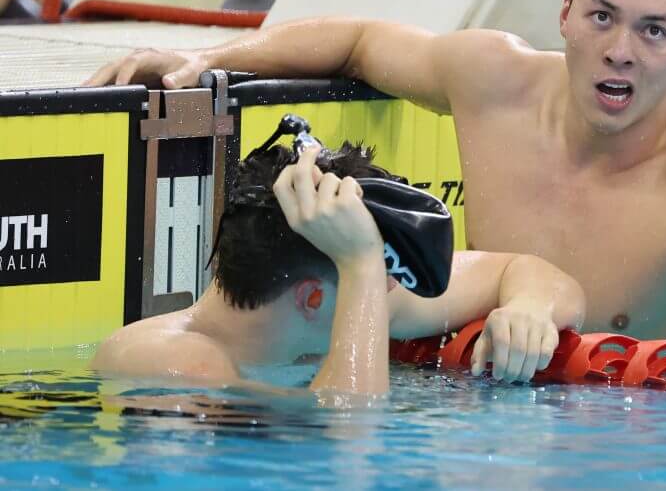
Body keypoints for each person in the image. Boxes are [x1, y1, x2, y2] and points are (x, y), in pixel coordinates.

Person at [86, 0, 666, 379]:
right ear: (565, 14)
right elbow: (358, 40)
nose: (621, 50)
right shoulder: (494, 81)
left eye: (655, 31)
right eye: (602, 16)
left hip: (644, 440)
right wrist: (206, 61)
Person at [92, 135, 586, 396]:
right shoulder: (171, 365)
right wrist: (360, 266)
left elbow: (527, 271)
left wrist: (529, 307)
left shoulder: (335, 306)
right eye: (373, 276)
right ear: (313, 298)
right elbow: (348, 441)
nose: (387, 289)